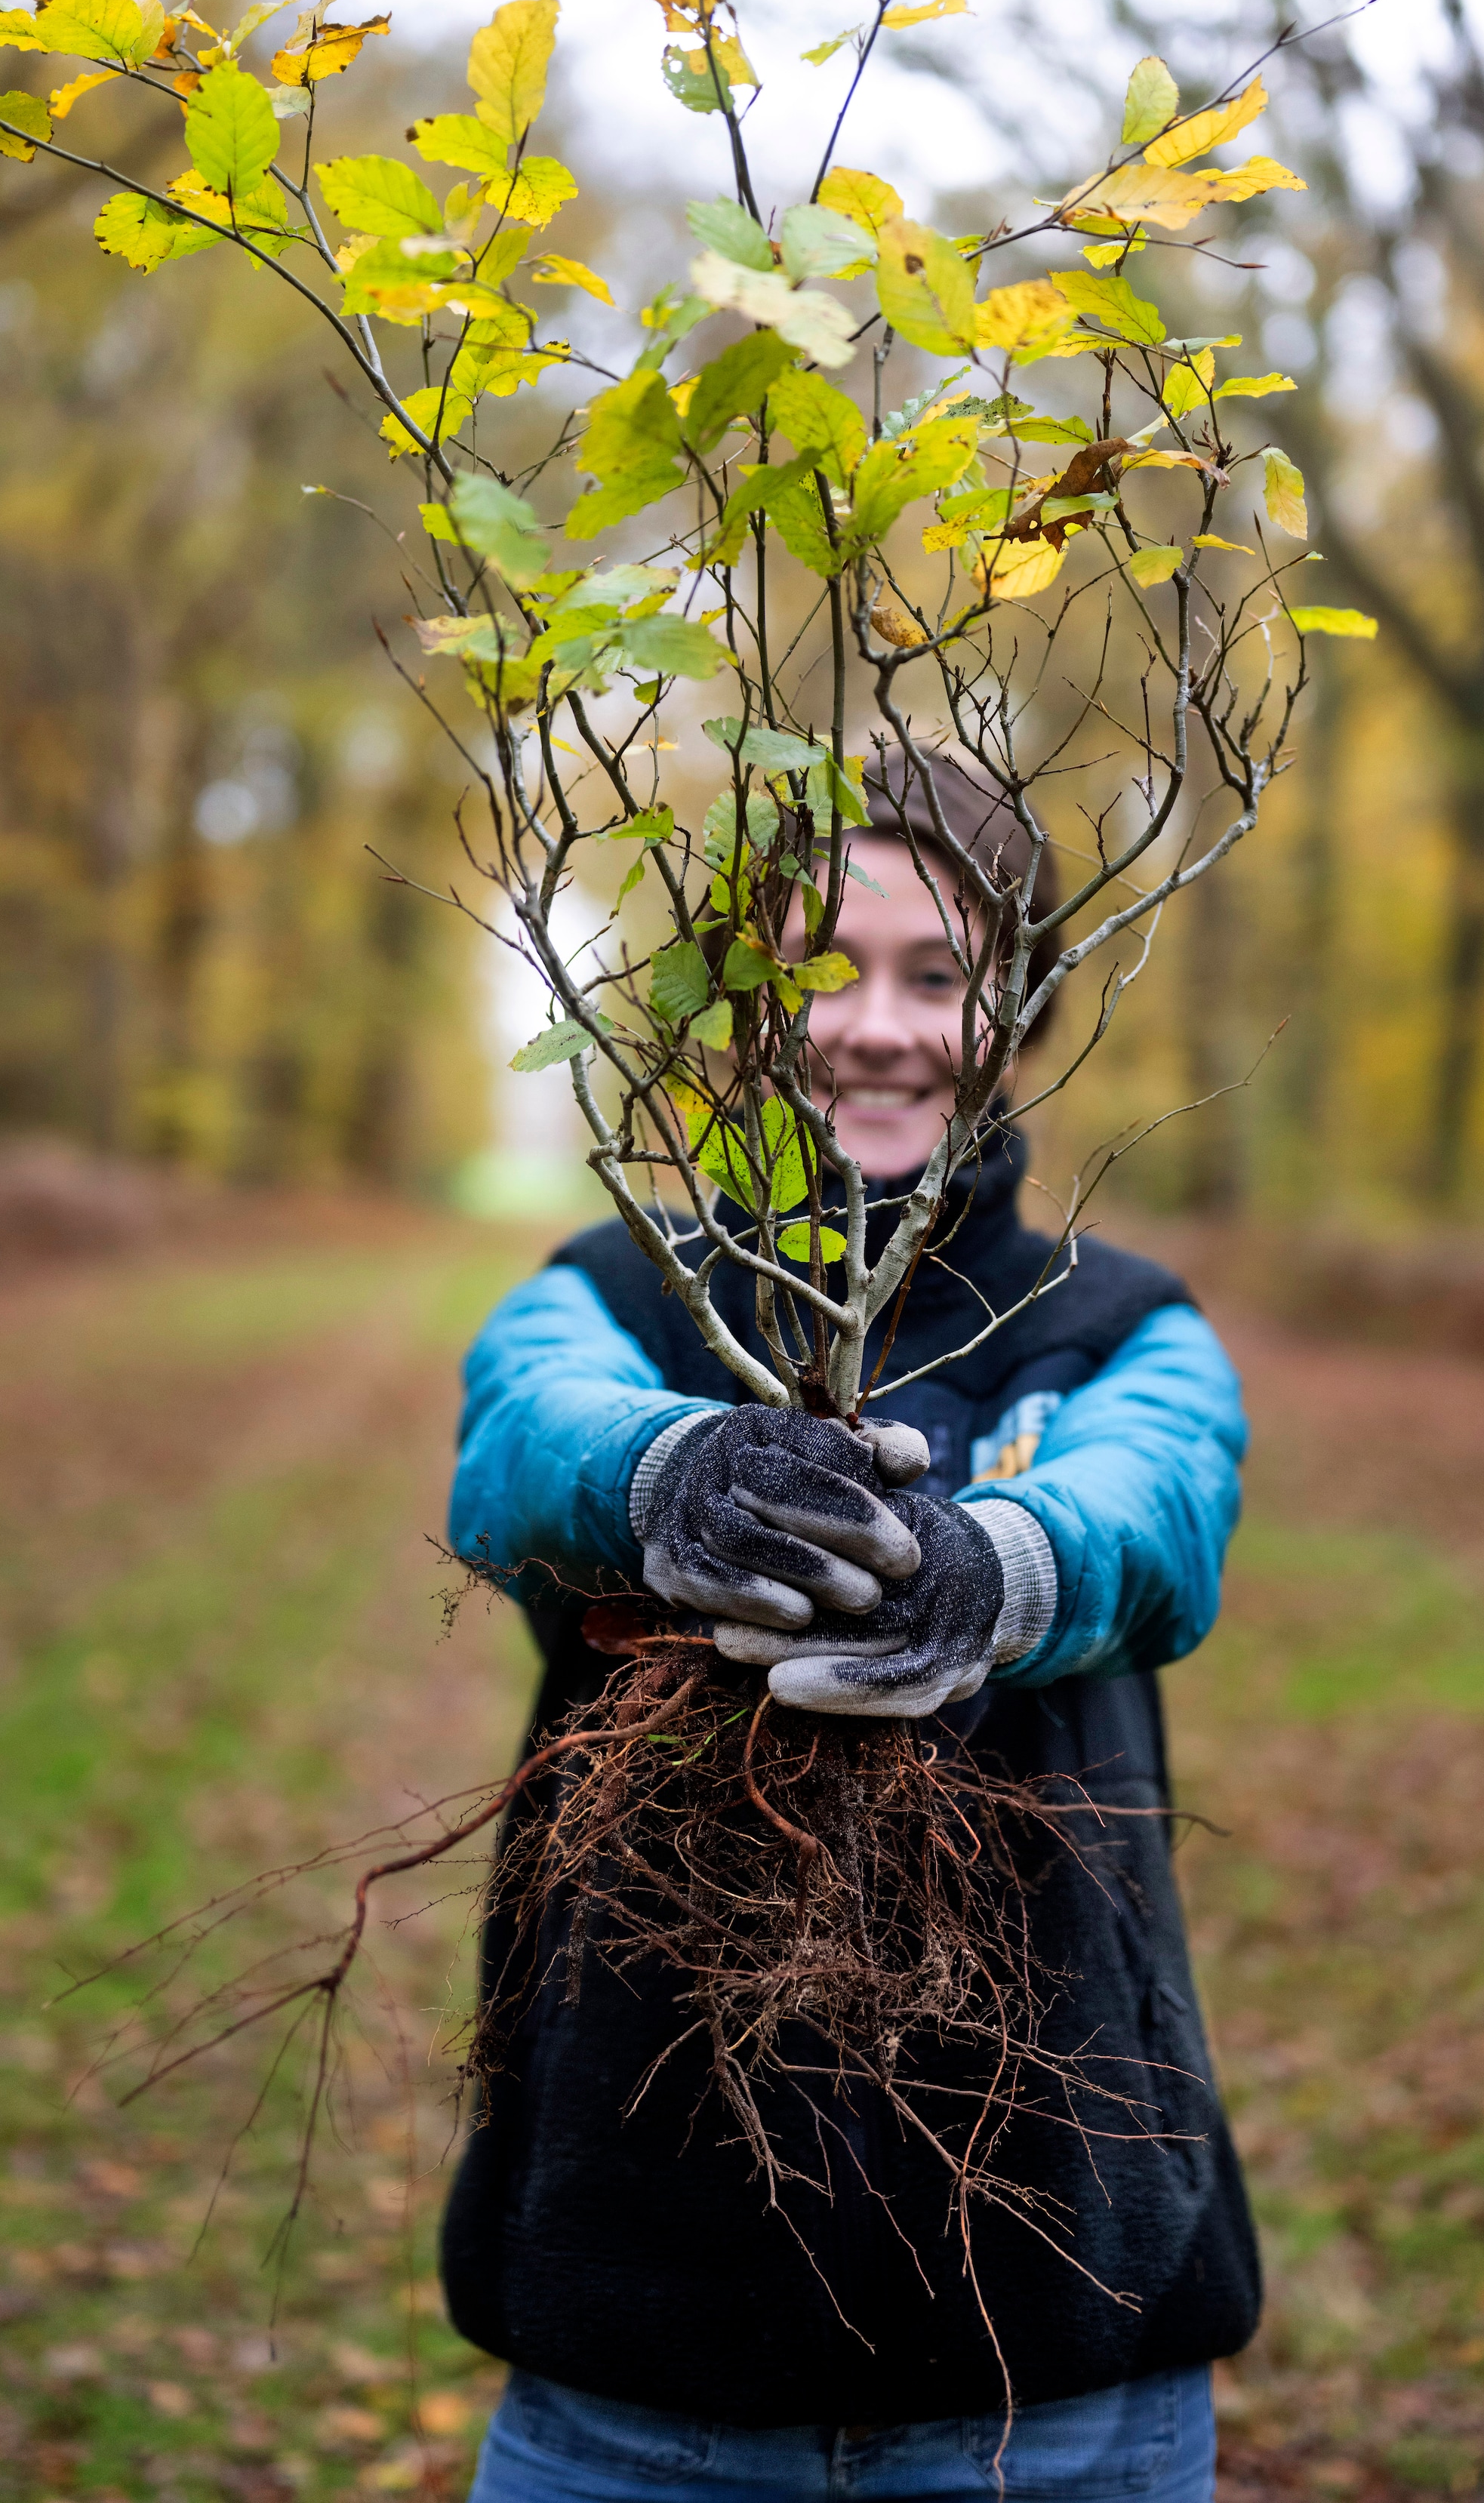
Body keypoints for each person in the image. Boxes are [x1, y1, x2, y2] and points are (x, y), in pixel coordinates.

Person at [443, 759, 1258, 2503]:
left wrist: (1003, 1570)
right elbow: (522, 1435)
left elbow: (1157, 1508)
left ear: (1020, 1004)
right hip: (637, 2351)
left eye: (938, 975)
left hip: (1055, 2363)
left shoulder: (1111, 1326)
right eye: (819, 968)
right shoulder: (627, 1294)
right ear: (737, 1003)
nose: (874, 1029)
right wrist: (667, 1470)